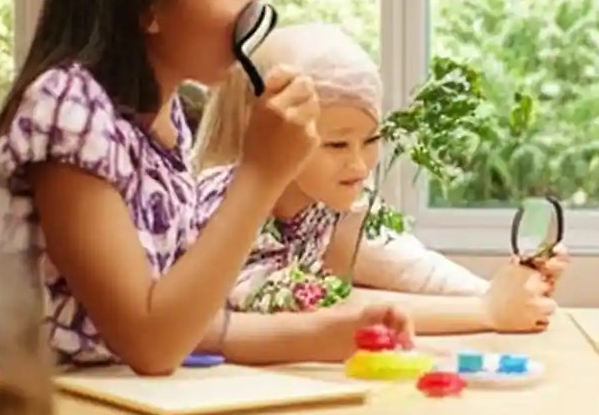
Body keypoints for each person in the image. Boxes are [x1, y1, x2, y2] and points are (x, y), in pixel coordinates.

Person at [0, 0, 411, 375]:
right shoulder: (68, 110)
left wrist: (330, 333)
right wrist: (262, 174)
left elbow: (189, 321)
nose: (254, 16)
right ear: (149, 1)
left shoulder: (167, 119)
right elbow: (153, 342)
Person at [192, 23, 567, 334]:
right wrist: (488, 311)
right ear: (270, 129)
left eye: (371, 139)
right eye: (337, 144)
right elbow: (320, 309)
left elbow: (409, 267)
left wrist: (514, 291)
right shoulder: (227, 204)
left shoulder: (322, 202)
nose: (359, 164)